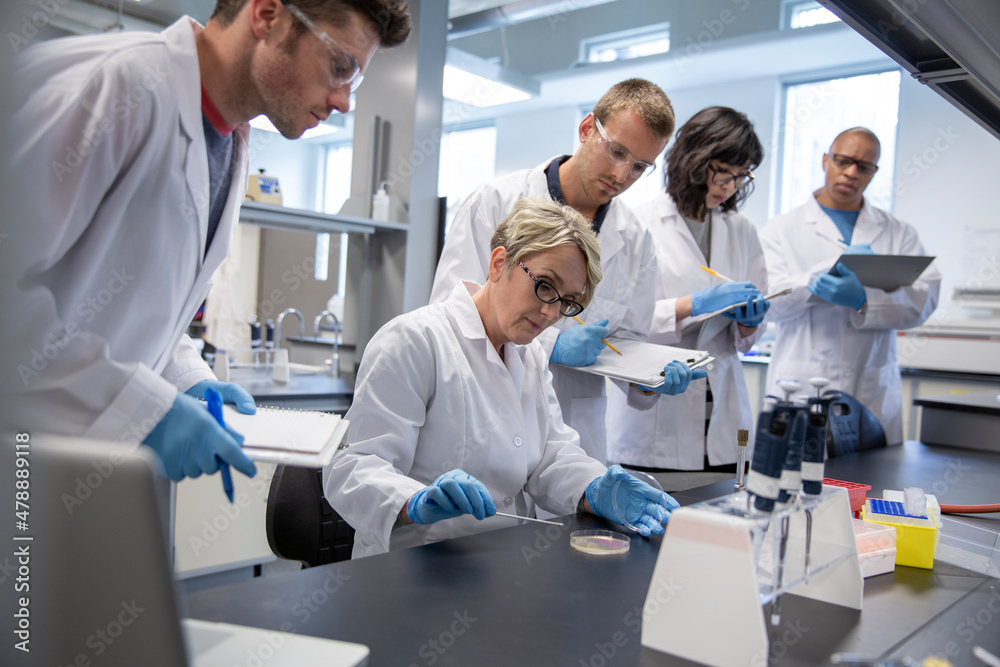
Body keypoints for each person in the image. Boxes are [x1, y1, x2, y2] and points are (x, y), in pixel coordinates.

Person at [0, 0, 411, 482]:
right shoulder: (111, 88)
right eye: (340, 67)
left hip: (80, 474)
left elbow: (147, 314)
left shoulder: (228, 141)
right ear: (267, 15)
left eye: (355, 80)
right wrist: (141, 411)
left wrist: (188, 383)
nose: (344, 101)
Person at [325, 198, 680, 557]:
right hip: (417, 563)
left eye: (567, 302)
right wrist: (412, 501)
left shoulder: (529, 354)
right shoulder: (415, 340)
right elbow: (353, 467)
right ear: (499, 263)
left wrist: (594, 487)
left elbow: (549, 459)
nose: (550, 312)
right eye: (544, 285)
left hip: (504, 559)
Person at [429, 78, 703, 465]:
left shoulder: (636, 239)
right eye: (617, 152)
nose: (623, 175)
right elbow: (450, 311)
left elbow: (628, 340)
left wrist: (648, 381)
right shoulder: (497, 202)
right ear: (588, 129)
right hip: (487, 416)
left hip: (576, 436)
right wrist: (550, 345)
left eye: (640, 167)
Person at [606, 107, 769, 471]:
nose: (729, 187)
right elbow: (617, 323)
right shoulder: (638, 223)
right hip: (656, 419)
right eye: (723, 172)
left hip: (724, 419)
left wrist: (751, 322)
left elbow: (749, 339)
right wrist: (692, 305)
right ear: (693, 159)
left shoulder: (742, 229)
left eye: (741, 177)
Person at [759, 127, 941, 444]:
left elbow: (924, 299)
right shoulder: (782, 229)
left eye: (864, 166)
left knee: (873, 486)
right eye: (843, 161)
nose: (852, 172)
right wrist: (813, 283)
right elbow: (766, 302)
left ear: (874, 172)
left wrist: (864, 300)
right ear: (825, 160)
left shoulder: (897, 232)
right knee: (796, 483)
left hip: (871, 386)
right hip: (801, 386)